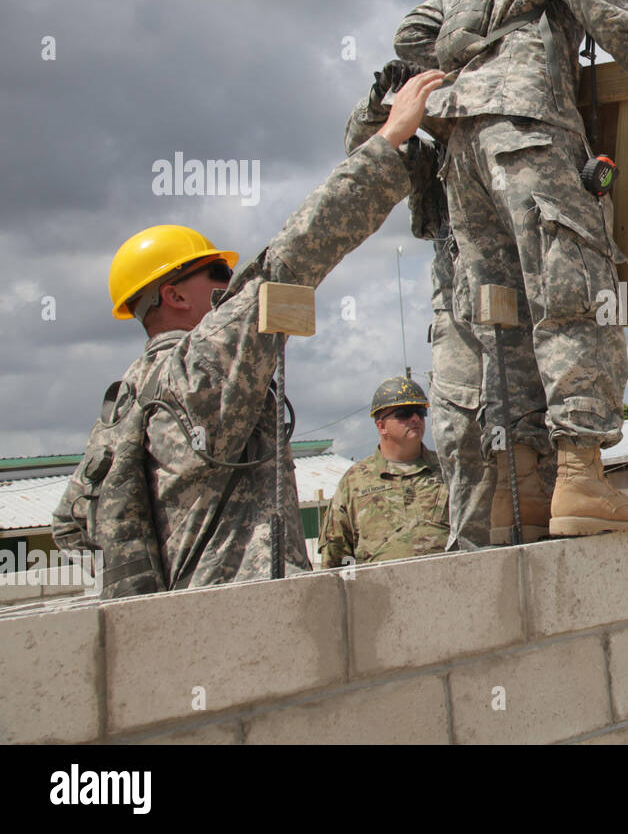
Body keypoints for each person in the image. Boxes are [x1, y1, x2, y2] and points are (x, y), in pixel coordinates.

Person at [52, 70, 446, 593]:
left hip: (187, 614)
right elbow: (292, 258)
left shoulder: (128, 396)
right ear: (171, 296)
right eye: (217, 276)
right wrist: (387, 141)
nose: (227, 290)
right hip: (253, 611)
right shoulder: (197, 365)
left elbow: (73, 522)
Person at [392, 0, 628, 537]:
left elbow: (411, 34)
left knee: (503, 314)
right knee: (575, 288)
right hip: (528, 121)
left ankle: (516, 486)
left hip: (461, 146)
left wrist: (471, 59)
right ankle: (580, 479)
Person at [344, 65, 503, 547]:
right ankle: (470, 547)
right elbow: (366, 149)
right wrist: (381, 103)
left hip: (526, 292)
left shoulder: (510, 125)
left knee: (526, 422)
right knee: (459, 421)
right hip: (457, 295)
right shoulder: (434, 153)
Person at [319, 378, 453, 567]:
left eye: (421, 412)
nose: (415, 419)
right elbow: (336, 554)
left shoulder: (448, 470)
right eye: (404, 414)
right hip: (380, 592)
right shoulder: (354, 482)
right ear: (382, 427)